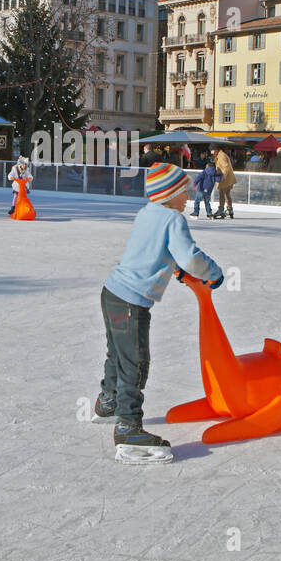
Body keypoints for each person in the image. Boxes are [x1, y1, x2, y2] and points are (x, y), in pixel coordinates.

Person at [92, 163, 223, 464]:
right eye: (184, 191)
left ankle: (108, 401)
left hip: (112, 293)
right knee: (135, 364)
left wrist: (172, 266)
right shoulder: (173, 218)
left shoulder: (147, 213)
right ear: (171, 195)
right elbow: (190, 256)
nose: (188, 197)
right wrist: (213, 273)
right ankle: (128, 426)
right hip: (132, 303)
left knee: (117, 355)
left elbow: (150, 249)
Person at [213, 146, 237, 219]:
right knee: (227, 194)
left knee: (221, 194)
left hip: (225, 179)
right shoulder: (220, 155)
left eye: (212, 151)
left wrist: (223, 178)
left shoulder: (221, 156)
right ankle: (230, 209)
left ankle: (221, 209)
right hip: (229, 179)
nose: (212, 153)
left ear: (216, 150)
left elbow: (226, 167)